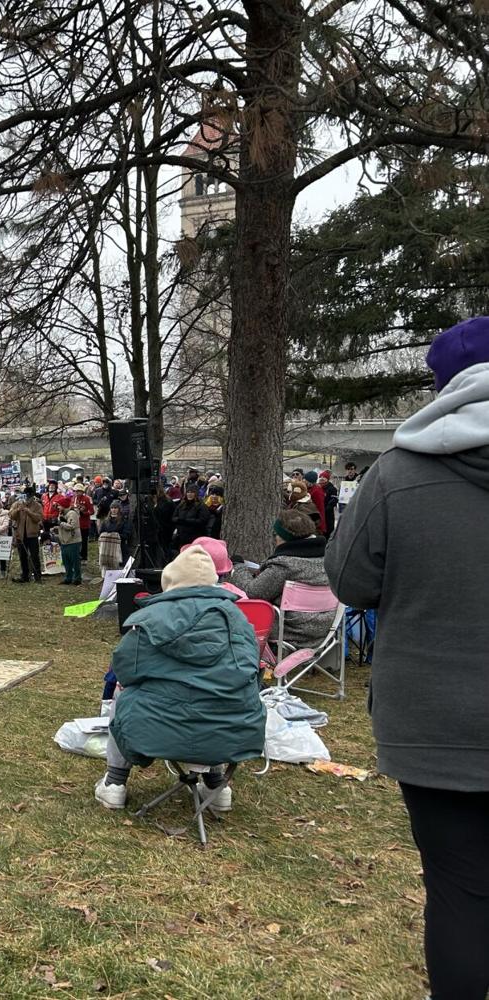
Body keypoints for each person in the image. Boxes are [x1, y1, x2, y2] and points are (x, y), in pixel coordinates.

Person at [326, 317, 489, 1000]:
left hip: (432, 718)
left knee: (456, 890)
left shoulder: (396, 472)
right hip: (433, 719)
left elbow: (350, 582)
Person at [94, 544, 265, 811]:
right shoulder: (238, 619)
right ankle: (216, 785)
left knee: (121, 695)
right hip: (233, 730)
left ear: (169, 581)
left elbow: (125, 669)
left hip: (157, 728)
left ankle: (115, 782)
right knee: (222, 696)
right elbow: (252, 672)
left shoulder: (150, 618)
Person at [229, 509, 331, 648]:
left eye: (276, 535)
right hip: (324, 630)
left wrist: (238, 567)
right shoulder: (327, 560)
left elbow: (253, 592)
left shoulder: (284, 566)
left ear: (284, 537)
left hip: (289, 631)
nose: (275, 538)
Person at [8, 487, 43, 583]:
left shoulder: (37, 506)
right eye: (26, 496)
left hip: (32, 534)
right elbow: (11, 516)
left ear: (33, 496)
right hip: (20, 534)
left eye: (30, 496)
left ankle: (37, 576)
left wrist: (28, 511)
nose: (28, 498)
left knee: (34, 556)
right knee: (22, 556)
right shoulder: (17, 504)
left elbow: (38, 518)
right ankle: (25, 576)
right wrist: (17, 510)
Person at [56, 494, 83, 585]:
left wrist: (60, 523)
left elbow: (71, 526)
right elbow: (62, 525)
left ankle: (77, 578)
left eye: (59, 505)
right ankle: (68, 577)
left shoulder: (72, 513)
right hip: (64, 541)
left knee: (74, 561)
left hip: (73, 541)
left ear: (63, 506)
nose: (58, 507)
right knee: (66, 561)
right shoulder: (61, 514)